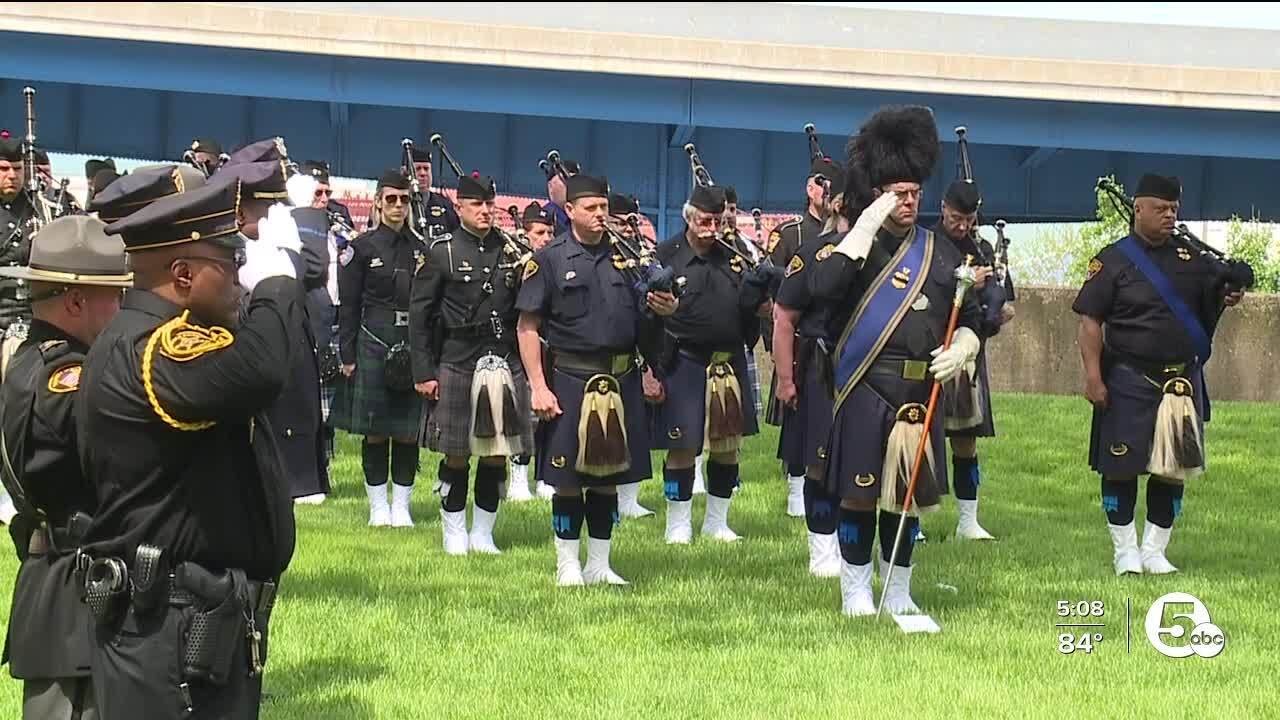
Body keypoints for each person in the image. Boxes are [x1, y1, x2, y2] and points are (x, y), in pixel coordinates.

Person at [77, 171, 301, 717]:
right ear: (183, 275)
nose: (240, 281)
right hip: (168, 626)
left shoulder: (157, 338)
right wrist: (277, 287)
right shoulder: (157, 347)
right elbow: (260, 370)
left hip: (190, 622)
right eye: (231, 265)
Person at [811, 106, 982, 616]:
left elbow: (973, 316)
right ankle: (856, 592)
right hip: (866, 386)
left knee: (906, 499)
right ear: (878, 194)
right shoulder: (850, 247)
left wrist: (965, 345)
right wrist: (862, 230)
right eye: (898, 194)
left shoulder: (940, 251)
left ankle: (899, 591)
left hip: (918, 390)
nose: (908, 202)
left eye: (914, 193)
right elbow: (822, 290)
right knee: (859, 495)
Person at [1072, 173, 1244, 576]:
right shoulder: (1112, 260)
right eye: (1161, 208)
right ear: (1138, 209)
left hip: (1180, 381)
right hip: (1128, 377)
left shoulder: (1193, 259)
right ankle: (1125, 552)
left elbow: (1217, 296)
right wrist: (1093, 377)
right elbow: (1090, 322)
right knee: (1120, 466)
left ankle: (1154, 551)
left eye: (1174, 209)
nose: (1169, 216)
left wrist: (1232, 289)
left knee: (1173, 468)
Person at [515, 174, 677, 586]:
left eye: (604, 207)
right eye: (591, 208)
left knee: (609, 477)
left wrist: (666, 309)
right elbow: (527, 327)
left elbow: (649, 321)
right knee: (567, 479)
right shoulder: (549, 260)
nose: (600, 214)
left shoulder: (630, 258)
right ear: (569, 210)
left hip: (621, 377)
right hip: (570, 377)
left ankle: (599, 565)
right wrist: (538, 386)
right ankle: (568, 564)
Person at [0, 215, 130, 720]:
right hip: (74, 595)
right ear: (76, 302)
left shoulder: (34, 359)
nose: (122, 309)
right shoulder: (66, 378)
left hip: (64, 587)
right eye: (115, 296)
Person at [410, 173, 533, 555]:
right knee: (457, 452)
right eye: (477, 204)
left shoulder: (511, 250)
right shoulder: (441, 252)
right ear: (459, 206)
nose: (485, 211)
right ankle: (453, 531)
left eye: (489, 204)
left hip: (502, 358)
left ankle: (483, 533)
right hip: (458, 358)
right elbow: (420, 316)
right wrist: (424, 372)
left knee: (497, 451)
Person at [651, 185, 769, 545]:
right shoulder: (666, 255)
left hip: (729, 361)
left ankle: (717, 522)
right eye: (705, 220)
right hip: (683, 360)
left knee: (727, 445)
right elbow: (649, 315)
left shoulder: (736, 256)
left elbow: (753, 308)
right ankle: (678, 524)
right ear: (689, 217)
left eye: (718, 221)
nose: (713, 228)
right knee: (682, 446)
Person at [220, 144, 330, 506]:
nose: (271, 214)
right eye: (264, 207)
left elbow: (307, 271)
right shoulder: (233, 243)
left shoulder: (280, 227)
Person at [334, 170, 426, 527]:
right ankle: (377, 508)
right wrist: (347, 354)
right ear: (377, 202)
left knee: (406, 430)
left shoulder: (422, 248)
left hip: (412, 341)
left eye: (404, 199)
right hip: (373, 339)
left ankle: (401, 507)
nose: (398, 206)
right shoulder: (361, 248)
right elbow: (348, 305)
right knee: (375, 429)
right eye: (391, 199)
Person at [772, 164, 848, 576]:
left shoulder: (885, 256)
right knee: (818, 460)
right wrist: (786, 380)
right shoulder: (810, 253)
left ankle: (853, 552)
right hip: (820, 365)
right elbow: (784, 318)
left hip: (868, 371)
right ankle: (822, 553)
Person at [932, 179, 1016, 540]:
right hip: (932, 348)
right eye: (956, 218)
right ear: (943, 208)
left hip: (969, 353)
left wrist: (996, 310)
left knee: (966, 441)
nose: (962, 226)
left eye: (968, 219)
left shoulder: (982, 248)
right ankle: (914, 522)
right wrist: (967, 282)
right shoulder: (925, 244)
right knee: (922, 436)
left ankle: (968, 522)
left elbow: (1003, 298)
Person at [507, 201, 558, 502]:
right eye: (539, 232)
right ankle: (518, 476)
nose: (546, 238)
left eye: (550, 232)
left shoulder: (558, 262)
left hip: (554, 347)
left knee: (552, 413)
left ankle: (545, 476)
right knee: (524, 414)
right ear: (525, 234)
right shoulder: (515, 263)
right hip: (523, 347)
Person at [406, 145, 460, 238]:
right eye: (418, 169)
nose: (423, 173)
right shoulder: (400, 203)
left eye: (426, 169)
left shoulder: (445, 204)